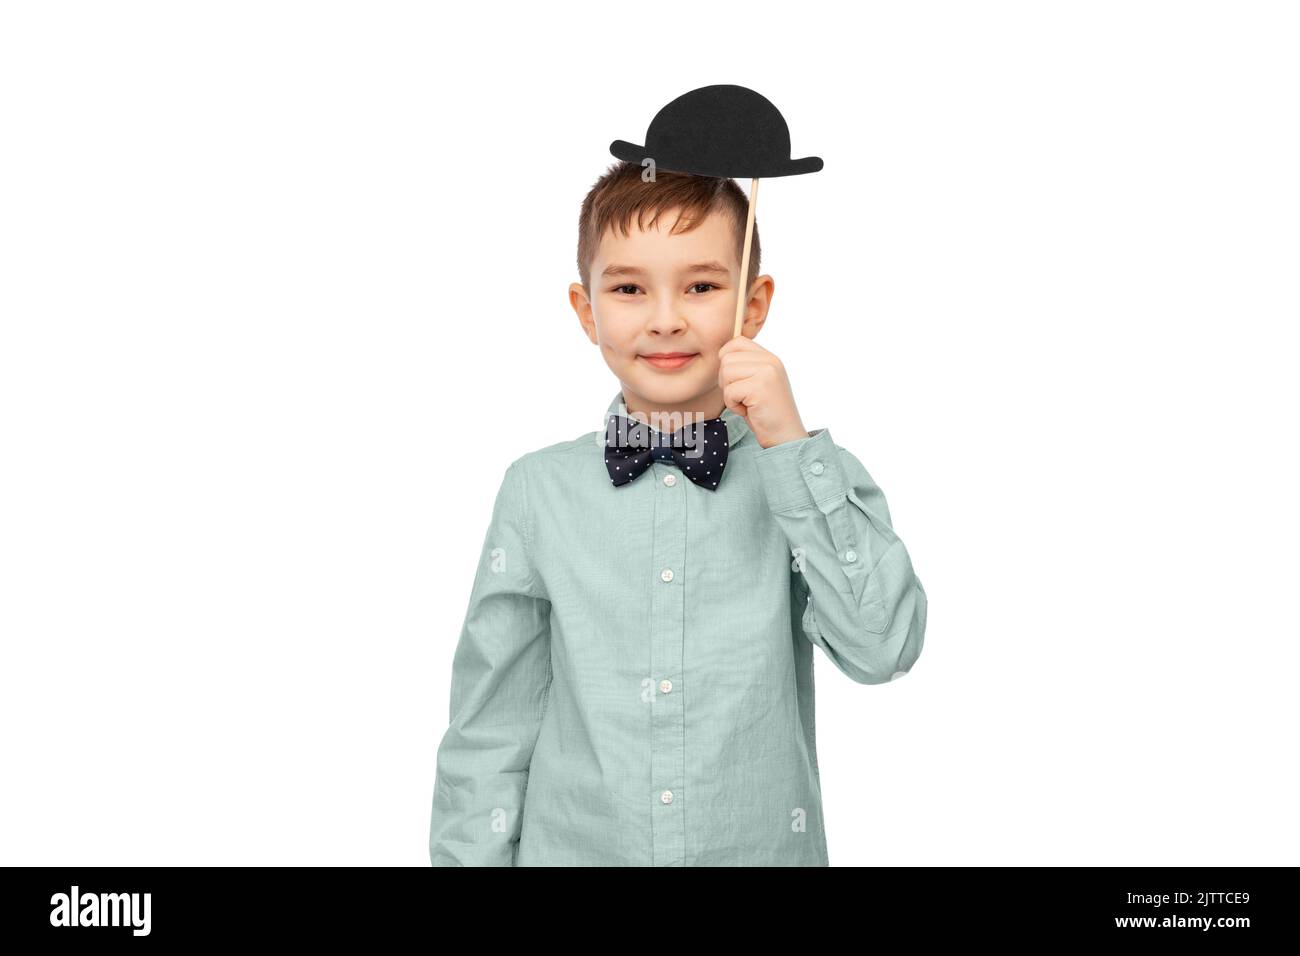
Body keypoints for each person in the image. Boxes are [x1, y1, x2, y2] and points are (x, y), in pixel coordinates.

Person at [428, 160, 927, 865]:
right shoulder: (537, 491)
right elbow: (490, 729)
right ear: (585, 309)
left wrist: (789, 444)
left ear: (752, 307)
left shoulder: (809, 478)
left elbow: (883, 647)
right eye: (630, 288)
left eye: (701, 286)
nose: (666, 319)